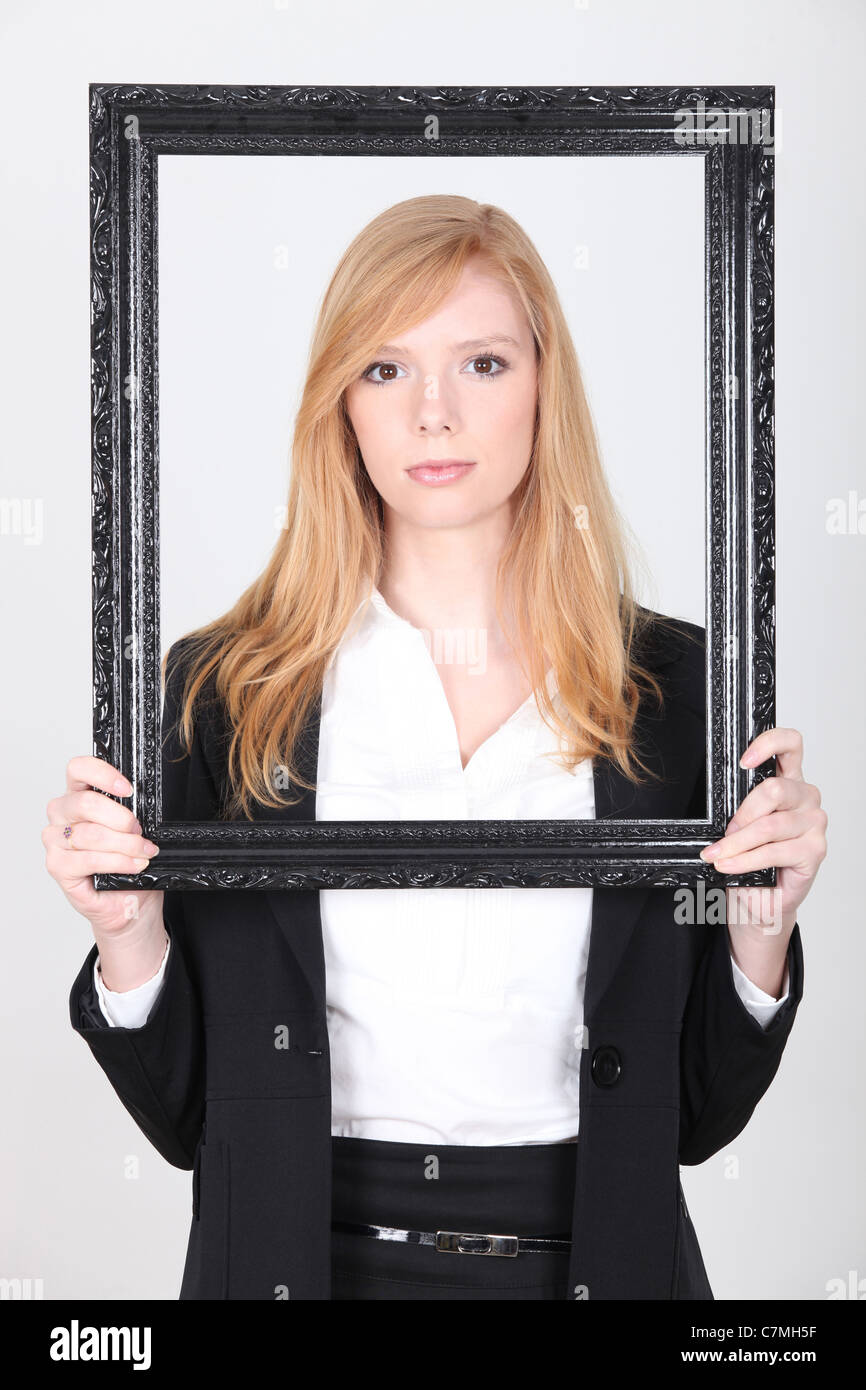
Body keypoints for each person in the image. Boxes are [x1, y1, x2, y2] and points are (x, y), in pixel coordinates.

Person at [45, 195, 825, 1300]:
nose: (433, 414)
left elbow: (692, 1118)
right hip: (293, 1267)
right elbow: (183, 1123)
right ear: (339, 406)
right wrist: (127, 936)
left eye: (483, 364)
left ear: (544, 388)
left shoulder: (683, 693)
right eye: (384, 370)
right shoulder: (217, 694)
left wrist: (758, 929)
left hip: (596, 1267)